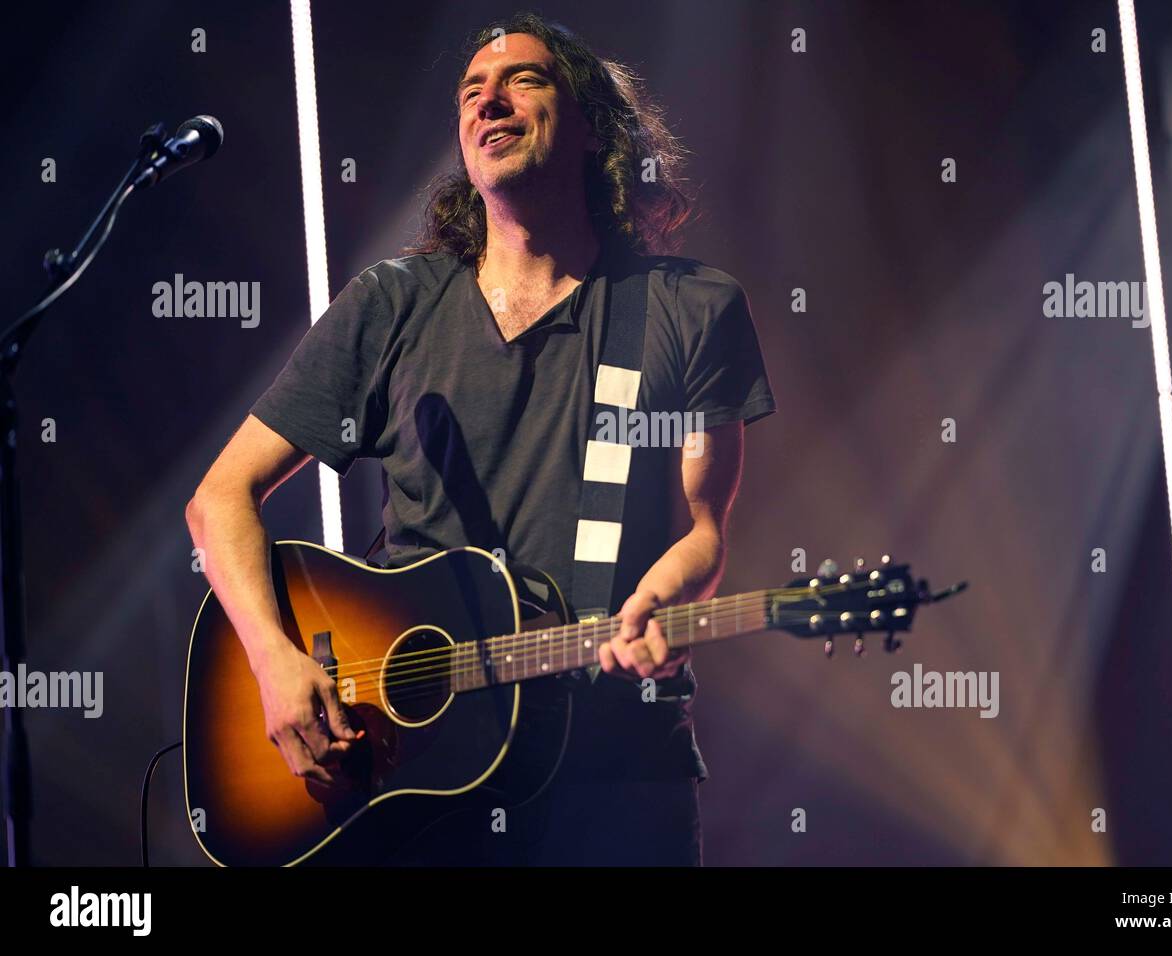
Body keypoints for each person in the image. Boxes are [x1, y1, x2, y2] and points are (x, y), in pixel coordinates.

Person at [185, 12, 776, 866]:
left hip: (614, 773)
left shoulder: (690, 307)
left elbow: (703, 529)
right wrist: (275, 662)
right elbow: (218, 501)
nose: (489, 101)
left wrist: (663, 600)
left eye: (523, 80)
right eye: (470, 91)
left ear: (591, 128)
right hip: (414, 777)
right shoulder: (391, 304)